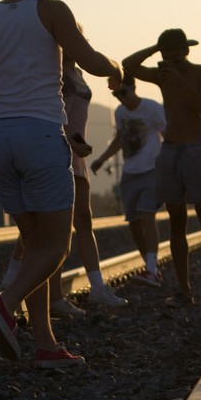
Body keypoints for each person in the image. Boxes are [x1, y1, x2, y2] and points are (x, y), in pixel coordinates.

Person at [0, 0, 123, 369]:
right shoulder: (52, 10)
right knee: (57, 244)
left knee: (34, 245)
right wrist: (117, 67)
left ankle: (46, 344)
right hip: (39, 134)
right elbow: (88, 61)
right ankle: (5, 305)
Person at [123, 29, 201, 307]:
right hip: (170, 151)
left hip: (197, 149)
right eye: (168, 57)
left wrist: (180, 80)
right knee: (176, 221)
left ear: (187, 52)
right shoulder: (163, 75)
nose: (172, 62)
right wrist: (155, 49)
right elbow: (128, 65)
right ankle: (183, 290)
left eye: (177, 57)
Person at [46, 53, 129, 317]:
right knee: (53, 227)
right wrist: (72, 142)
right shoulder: (53, 73)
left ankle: (97, 286)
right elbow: (50, 116)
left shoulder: (78, 72)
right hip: (60, 150)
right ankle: (51, 294)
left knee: (84, 221)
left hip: (77, 154)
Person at [91, 77, 166, 288]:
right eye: (116, 95)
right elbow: (120, 139)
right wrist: (102, 159)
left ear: (133, 88)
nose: (120, 98)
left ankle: (151, 269)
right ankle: (151, 268)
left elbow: (167, 135)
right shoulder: (120, 113)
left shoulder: (152, 108)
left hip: (152, 170)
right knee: (133, 221)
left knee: (147, 215)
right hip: (130, 173)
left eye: (122, 93)